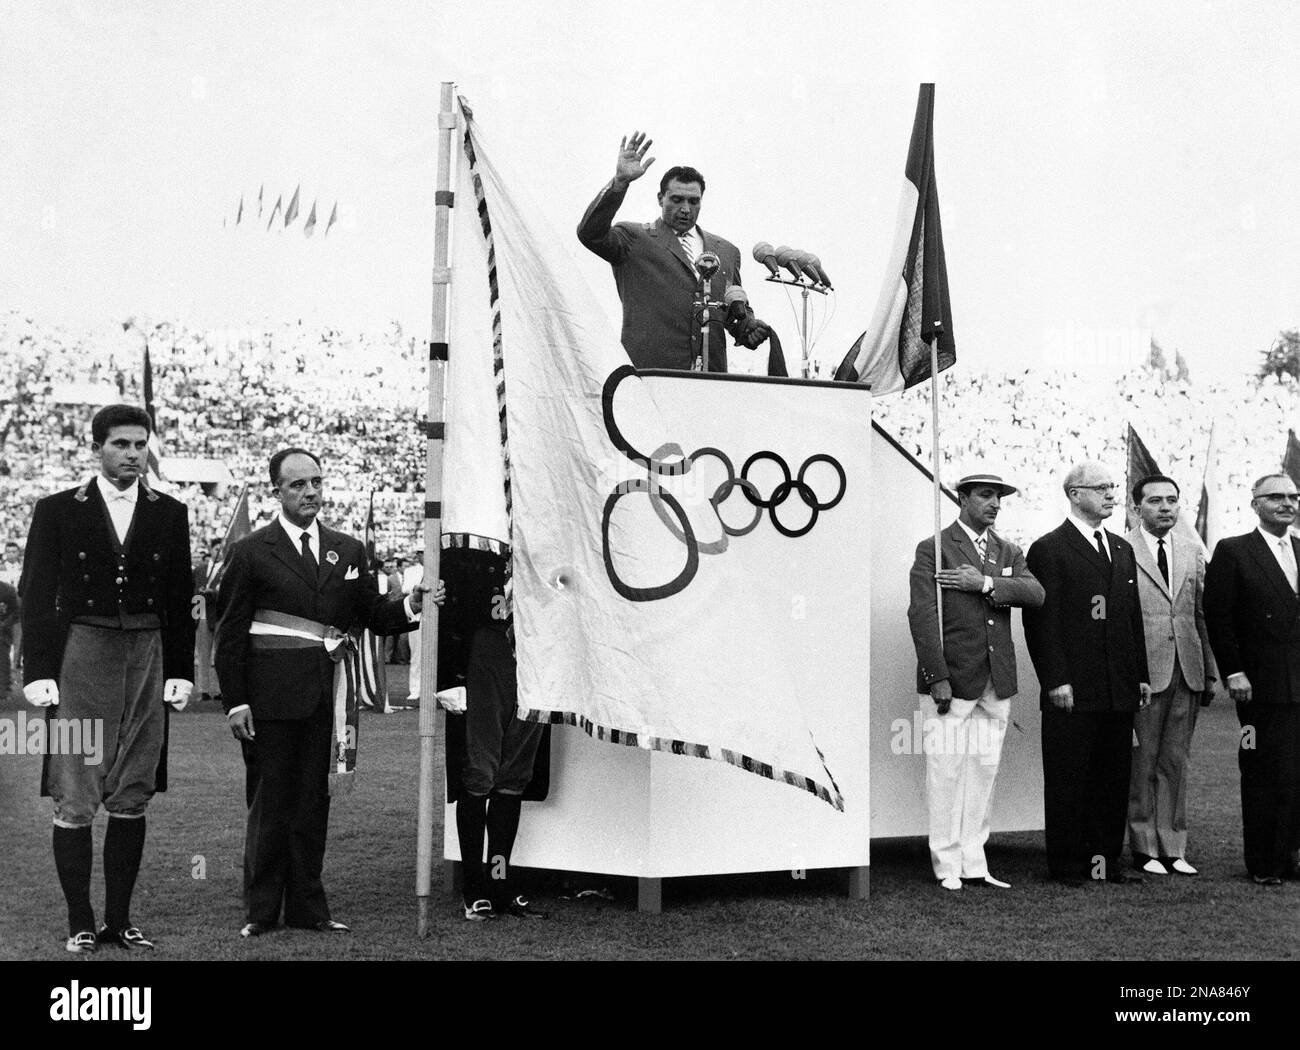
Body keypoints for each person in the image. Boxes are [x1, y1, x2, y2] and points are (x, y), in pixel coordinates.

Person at [214, 448, 436, 937]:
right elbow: (229, 632)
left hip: (326, 698)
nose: (310, 491)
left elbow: (374, 615)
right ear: (277, 491)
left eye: (316, 481)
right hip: (269, 701)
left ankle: (309, 908)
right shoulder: (251, 551)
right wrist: (236, 701)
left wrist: (411, 605)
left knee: (314, 804)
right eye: (297, 484)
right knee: (271, 804)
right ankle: (261, 910)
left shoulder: (347, 550)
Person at [19, 404, 195, 953]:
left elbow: (179, 597)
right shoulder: (57, 510)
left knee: (134, 785)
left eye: (140, 444)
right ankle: (80, 919)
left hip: (146, 651)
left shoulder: (170, 511)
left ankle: (119, 920)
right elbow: (36, 590)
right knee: (75, 787)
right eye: (121, 444)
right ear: (97, 447)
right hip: (83, 650)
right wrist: (40, 670)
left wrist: (183, 670)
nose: (132, 454)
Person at [907, 472, 1044, 891]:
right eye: (986, 496)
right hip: (952, 682)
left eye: (999, 498)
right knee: (946, 773)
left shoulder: (1008, 549)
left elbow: (1035, 594)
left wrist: (983, 583)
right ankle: (946, 864)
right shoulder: (934, 547)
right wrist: (938, 677)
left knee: (983, 773)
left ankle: (974, 862)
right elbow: (922, 615)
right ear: (962, 498)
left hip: (995, 682)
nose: (995, 504)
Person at [1023, 461, 1151, 886]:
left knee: (1111, 779)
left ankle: (1104, 863)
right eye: (1101, 488)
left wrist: (1141, 675)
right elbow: (1043, 622)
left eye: (1113, 487)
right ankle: (1069, 866)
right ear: (1075, 494)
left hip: (1118, 688)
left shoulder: (1121, 549)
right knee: (1069, 778)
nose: (1112, 494)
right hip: (1072, 689)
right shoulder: (1049, 549)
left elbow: (1130, 618)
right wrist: (1056, 680)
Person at [577, 130, 771, 372]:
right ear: (660, 198)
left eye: (693, 201)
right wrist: (620, 183)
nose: (685, 209)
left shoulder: (727, 252)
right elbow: (590, 234)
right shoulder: (633, 238)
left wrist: (748, 328)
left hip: (713, 384)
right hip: (652, 378)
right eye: (677, 199)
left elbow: (731, 310)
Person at [1203, 473, 1300, 886]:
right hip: (1260, 686)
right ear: (1255, 504)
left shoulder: (1299, 547)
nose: (1287, 503)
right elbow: (1219, 616)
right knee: (1265, 770)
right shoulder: (1234, 551)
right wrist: (1234, 671)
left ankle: (1291, 858)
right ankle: (1265, 862)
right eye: (1275, 497)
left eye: (1293, 497)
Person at [440, 550, 547, 921]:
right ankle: (475, 887)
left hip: (533, 662)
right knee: (479, 774)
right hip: (484, 659)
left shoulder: (548, 541)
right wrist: (449, 679)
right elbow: (448, 610)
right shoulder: (477, 543)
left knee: (513, 778)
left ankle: (500, 881)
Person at [1125, 474, 1217, 877]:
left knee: (1176, 762)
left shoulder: (1192, 550)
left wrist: (1210, 671)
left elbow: (1200, 615)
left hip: (1188, 668)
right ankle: (1144, 847)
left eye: (1172, 500)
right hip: (1143, 671)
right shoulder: (1120, 549)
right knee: (1141, 760)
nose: (1165, 507)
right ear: (1137, 508)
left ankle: (1174, 845)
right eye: (1156, 501)